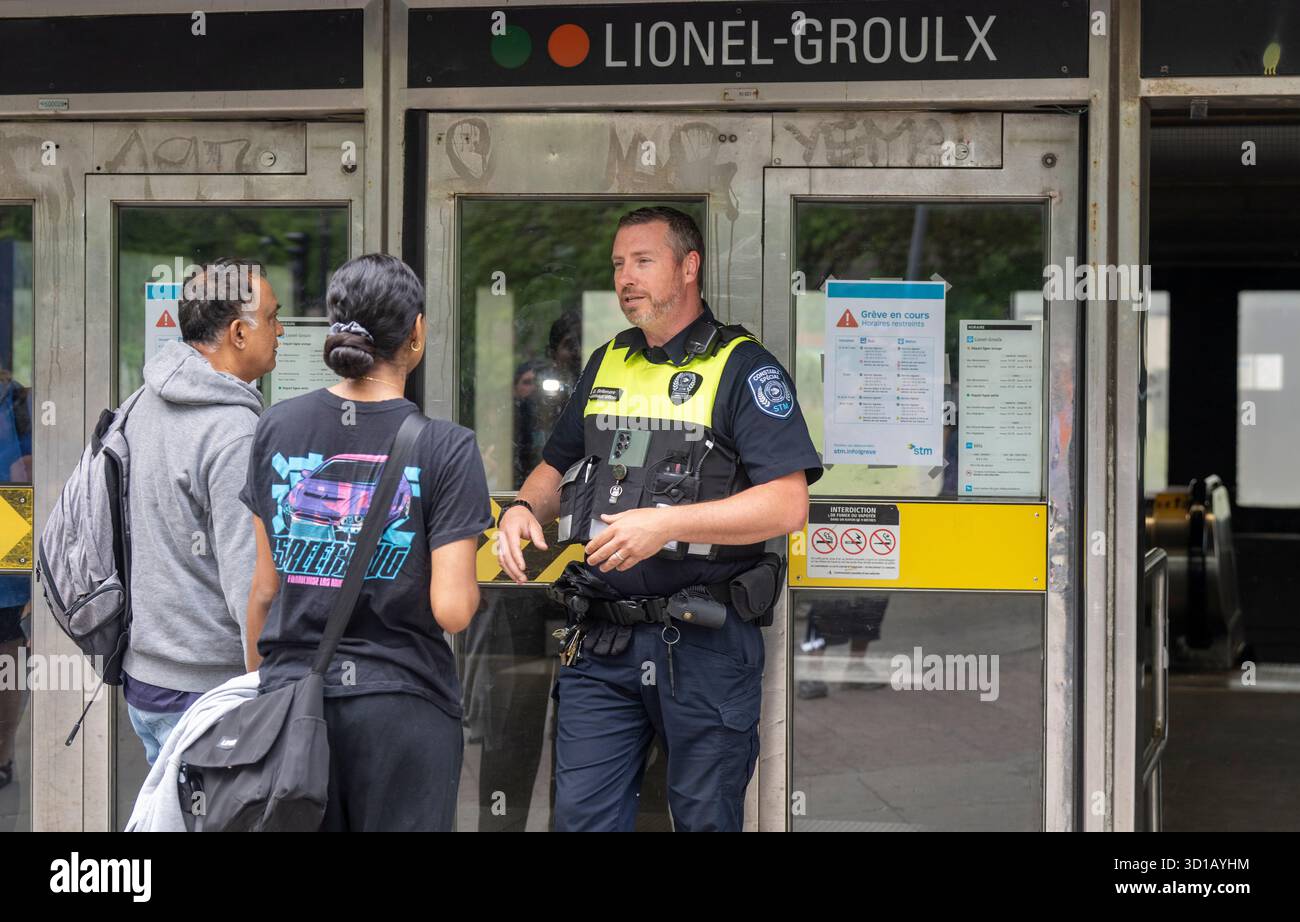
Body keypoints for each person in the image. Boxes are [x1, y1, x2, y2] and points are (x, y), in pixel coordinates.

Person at [496, 206, 823, 831]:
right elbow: (553, 470)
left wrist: (667, 524)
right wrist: (518, 511)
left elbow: (788, 503)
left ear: (689, 266)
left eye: (643, 261)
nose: (626, 278)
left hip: (702, 642)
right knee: (582, 820)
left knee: (704, 819)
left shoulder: (743, 368)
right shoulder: (606, 363)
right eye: (619, 264)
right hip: (601, 640)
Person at [241, 253, 490, 832]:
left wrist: (265, 689)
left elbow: (263, 589)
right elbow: (452, 611)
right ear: (417, 333)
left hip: (294, 704)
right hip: (403, 712)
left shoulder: (277, 425)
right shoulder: (447, 448)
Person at [121, 258, 280, 765]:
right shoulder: (233, 432)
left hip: (146, 677)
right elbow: (250, 585)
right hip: (208, 691)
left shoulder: (142, 402)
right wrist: (265, 693)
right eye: (273, 318)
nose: (279, 331)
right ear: (238, 332)